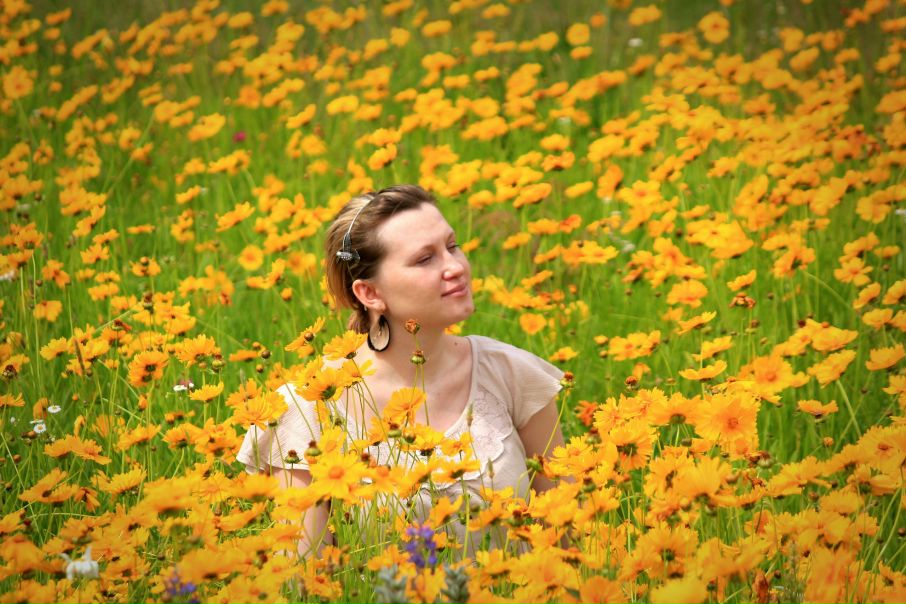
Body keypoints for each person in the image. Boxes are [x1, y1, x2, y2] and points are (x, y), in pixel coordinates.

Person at [236, 184, 567, 558]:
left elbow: (566, 540)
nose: (456, 267)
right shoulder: (307, 409)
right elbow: (303, 576)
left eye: (452, 246)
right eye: (425, 259)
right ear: (370, 294)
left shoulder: (514, 375)